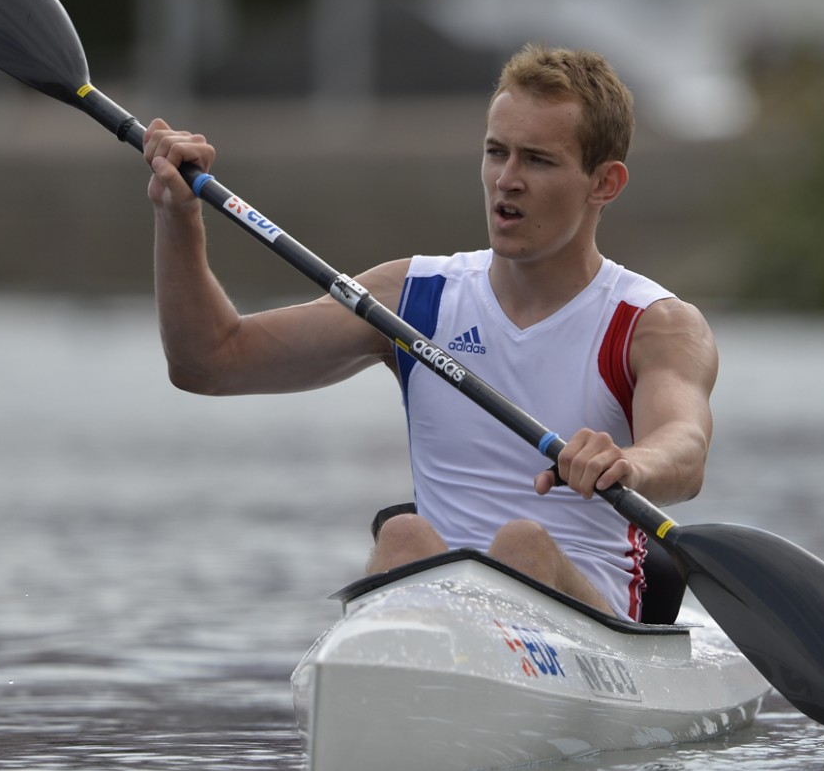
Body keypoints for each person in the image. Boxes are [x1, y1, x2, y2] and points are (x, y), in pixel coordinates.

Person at [142, 44, 717, 622]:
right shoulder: (413, 299)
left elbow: (685, 450)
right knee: (403, 536)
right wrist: (177, 219)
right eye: (496, 153)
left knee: (524, 545)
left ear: (605, 184)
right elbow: (210, 362)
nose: (507, 180)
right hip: (442, 622)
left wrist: (629, 463)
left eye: (538, 161)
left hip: (596, 621)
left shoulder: (652, 324)